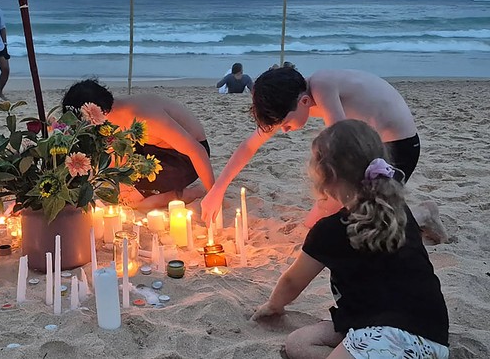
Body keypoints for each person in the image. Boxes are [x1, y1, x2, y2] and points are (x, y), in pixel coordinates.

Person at [251, 120, 449, 359]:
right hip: (429, 332)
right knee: (298, 343)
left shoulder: (329, 231)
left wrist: (273, 305)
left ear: (326, 176)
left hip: (392, 336)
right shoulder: (399, 211)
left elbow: (292, 281)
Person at [200, 68, 445, 242]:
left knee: (362, 222)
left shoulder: (323, 85)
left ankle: (423, 214)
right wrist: (217, 190)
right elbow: (249, 146)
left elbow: (341, 148)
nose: (284, 130)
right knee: (324, 222)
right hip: (366, 143)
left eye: (285, 124)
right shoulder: (290, 98)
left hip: (397, 146)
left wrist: (323, 205)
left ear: (305, 101)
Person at [62, 79, 214, 210]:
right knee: (119, 181)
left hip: (186, 159)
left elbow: (197, 151)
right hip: (156, 148)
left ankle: (193, 193)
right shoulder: (114, 113)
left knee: (138, 203)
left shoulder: (145, 118)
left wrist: (214, 195)